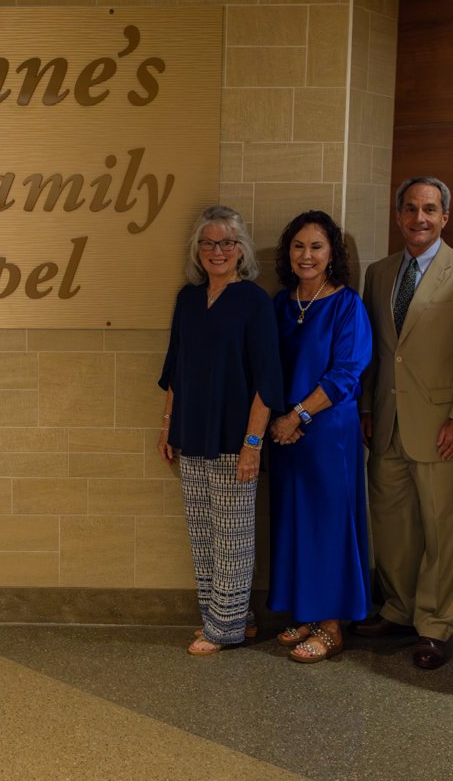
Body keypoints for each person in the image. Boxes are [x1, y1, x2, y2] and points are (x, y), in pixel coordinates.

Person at [355, 177, 453, 669]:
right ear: (399, 216)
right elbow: (375, 353)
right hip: (387, 424)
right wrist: (367, 409)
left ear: (445, 217)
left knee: (444, 532)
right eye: (411, 209)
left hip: (445, 429)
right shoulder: (378, 273)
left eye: (430, 209)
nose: (420, 218)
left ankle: (435, 625)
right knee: (392, 527)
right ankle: (399, 609)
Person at [157, 205, 283, 656]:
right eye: (208, 243)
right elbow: (176, 368)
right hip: (191, 433)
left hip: (234, 437)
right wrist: (167, 426)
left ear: (241, 249)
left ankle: (223, 628)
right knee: (204, 534)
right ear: (197, 250)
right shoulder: (188, 299)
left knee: (233, 537)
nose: (217, 251)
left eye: (226, 243)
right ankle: (233, 617)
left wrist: (253, 444)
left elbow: (268, 381)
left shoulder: (254, 301)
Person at [266, 210, 372, 664]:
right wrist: (279, 421)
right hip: (284, 434)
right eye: (298, 246)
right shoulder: (280, 304)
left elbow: (347, 372)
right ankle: (308, 613)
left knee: (328, 524)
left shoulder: (347, 304)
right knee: (295, 521)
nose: (306, 255)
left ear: (332, 254)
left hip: (328, 433)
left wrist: (298, 416)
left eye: (316, 246)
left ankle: (331, 626)